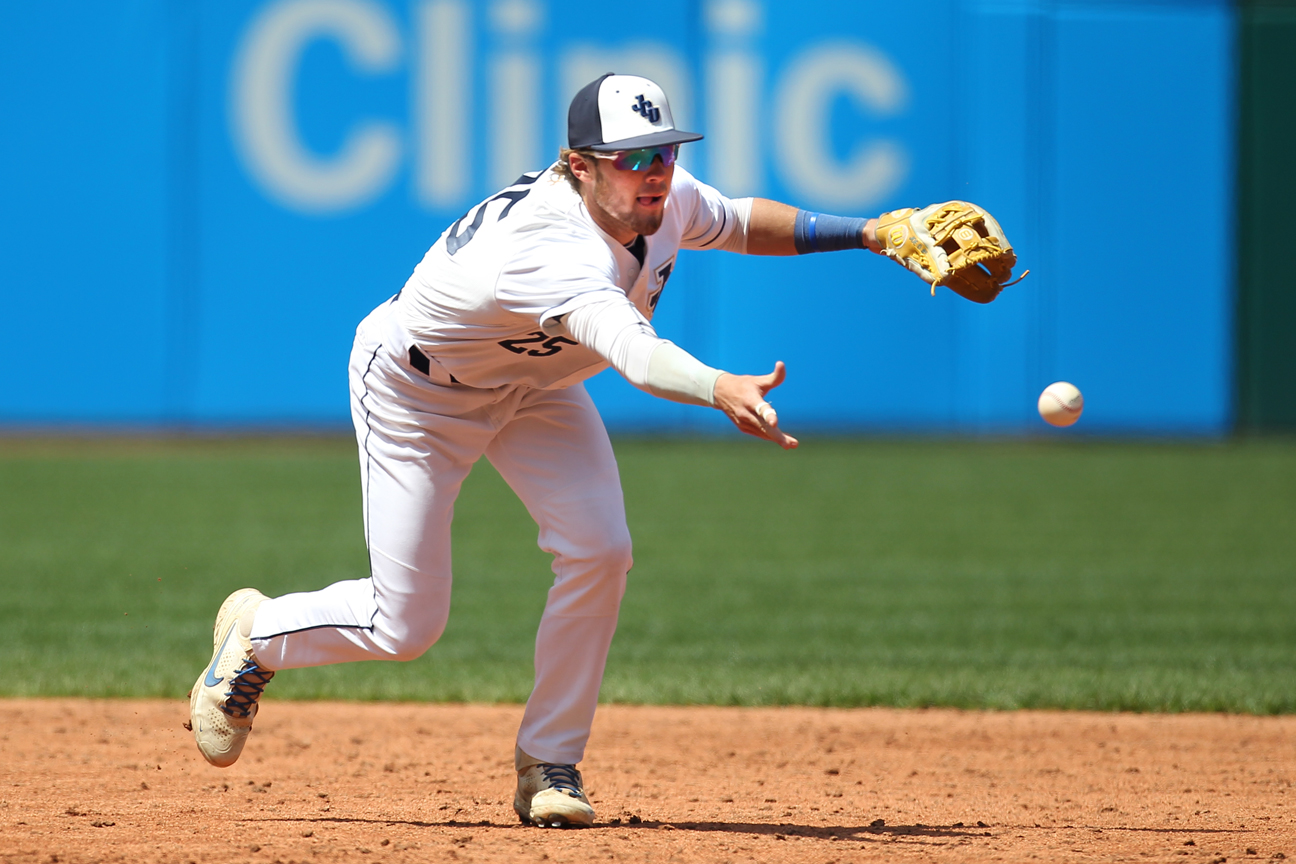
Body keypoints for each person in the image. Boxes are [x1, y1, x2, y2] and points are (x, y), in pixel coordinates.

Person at [186, 73, 910, 828]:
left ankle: (548, 763)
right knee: (406, 626)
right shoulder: (546, 245)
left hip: (534, 387)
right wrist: (719, 384)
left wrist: (868, 232)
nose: (654, 170)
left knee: (600, 548)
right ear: (578, 165)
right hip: (419, 392)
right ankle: (257, 636)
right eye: (630, 158)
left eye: (662, 151)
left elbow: (737, 219)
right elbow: (635, 355)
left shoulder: (659, 196)